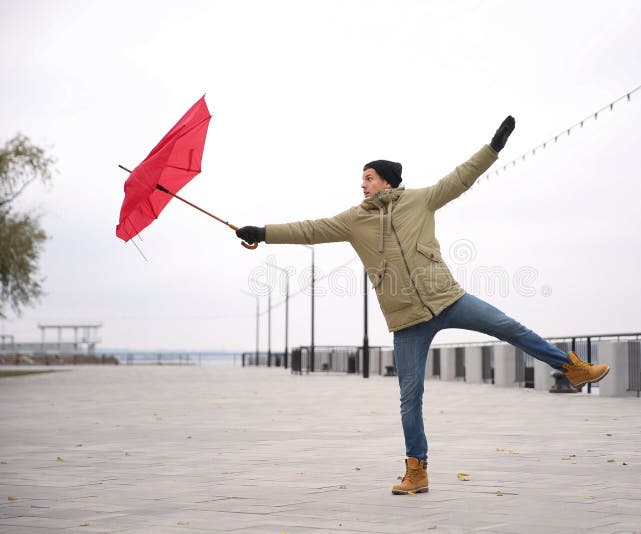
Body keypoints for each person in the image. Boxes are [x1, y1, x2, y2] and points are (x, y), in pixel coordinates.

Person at [236, 116, 609, 495]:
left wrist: (493, 147)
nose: (361, 185)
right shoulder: (353, 221)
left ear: (386, 180)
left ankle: (572, 368)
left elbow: (461, 178)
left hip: (448, 298)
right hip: (406, 320)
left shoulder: (420, 200)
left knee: (510, 327)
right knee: (410, 395)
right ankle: (417, 470)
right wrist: (263, 234)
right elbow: (309, 229)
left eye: (368, 178)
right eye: (362, 179)